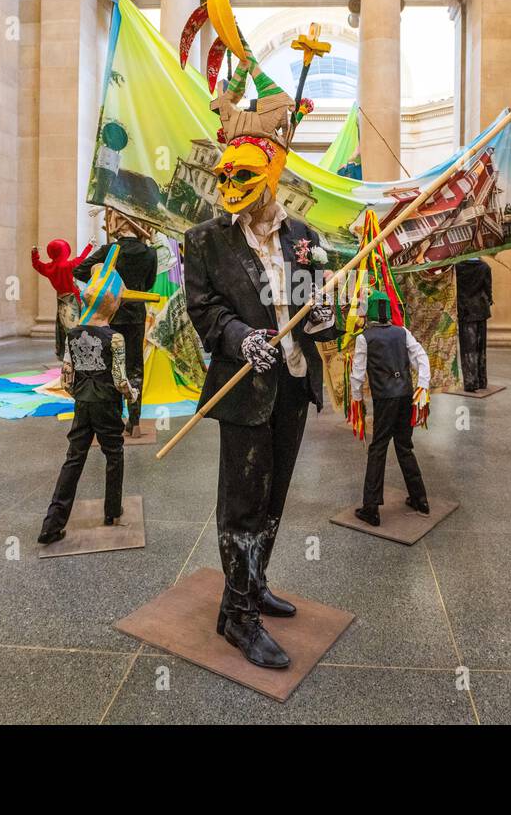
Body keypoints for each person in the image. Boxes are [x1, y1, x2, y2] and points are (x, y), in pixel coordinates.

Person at [184, 39, 338, 670]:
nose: (230, 186)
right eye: (224, 177)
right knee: (243, 501)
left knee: (274, 499)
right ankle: (237, 618)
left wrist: (322, 321)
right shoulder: (206, 241)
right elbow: (202, 310)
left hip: (294, 388)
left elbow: (308, 307)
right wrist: (239, 338)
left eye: (242, 176)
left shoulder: (304, 236)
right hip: (244, 389)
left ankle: (251, 585)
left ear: (270, 175)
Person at [38, 250, 139, 543]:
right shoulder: (115, 338)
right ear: (113, 304)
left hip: (82, 402)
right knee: (114, 453)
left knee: (74, 458)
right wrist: (131, 395)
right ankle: (111, 509)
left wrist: (79, 393)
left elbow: (66, 377)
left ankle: (52, 524)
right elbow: (120, 379)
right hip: (107, 403)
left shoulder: (72, 334)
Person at [348, 291, 431, 526]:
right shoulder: (402, 332)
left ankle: (371, 508)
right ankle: (420, 498)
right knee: (404, 446)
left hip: (384, 399)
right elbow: (421, 357)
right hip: (405, 394)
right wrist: (422, 385)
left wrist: (356, 401)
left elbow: (357, 373)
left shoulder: (365, 338)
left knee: (378, 448)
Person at [75, 210, 159, 436]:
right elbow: (149, 284)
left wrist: (102, 279)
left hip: (107, 316)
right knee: (134, 366)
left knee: (110, 366)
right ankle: (135, 419)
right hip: (134, 316)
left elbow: (78, 270)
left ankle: (114, 419)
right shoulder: (149, 253)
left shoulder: (107, 252)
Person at [454, 257, 493, 392]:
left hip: (465, 310)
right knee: (480, 347)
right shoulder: (485, 267)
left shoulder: (458, 266)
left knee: (468, 348)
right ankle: (482, 380)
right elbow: (488, 289)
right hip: (481, 309)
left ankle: (471, 382)